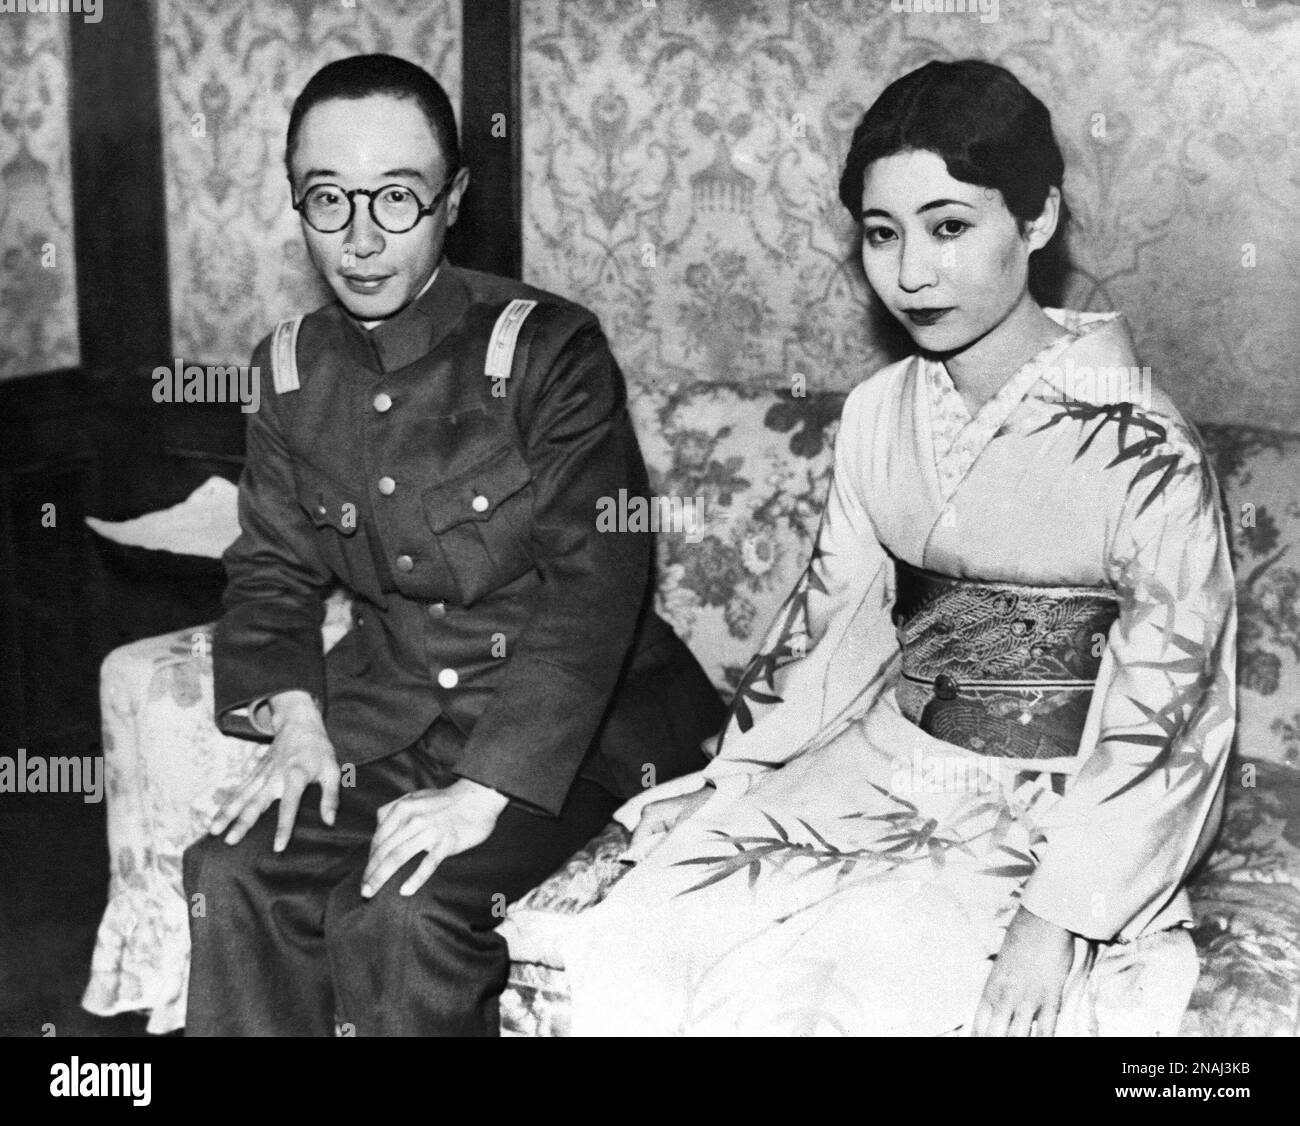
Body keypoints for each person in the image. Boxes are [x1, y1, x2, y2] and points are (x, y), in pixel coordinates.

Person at [555, 59, 1236, 1037]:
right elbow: (827, 629)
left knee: (843, 994)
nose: (911, 271)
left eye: (949, 226)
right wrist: (732, 780)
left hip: (1054, 799)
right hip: (885, 756)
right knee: (642, 939)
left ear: (1036, 219)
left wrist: (1055, 913)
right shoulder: (882, 413)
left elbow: (1170, 701)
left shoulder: (1144, 447)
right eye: (883, 234)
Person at [181, 54, 725, 1036]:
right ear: (295, 204)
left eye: (396, 198)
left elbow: (593, 593)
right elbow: (269, 569)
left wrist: (482, 792)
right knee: (229, 871)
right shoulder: (288, 371)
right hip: (392, 713)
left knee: (401, 910)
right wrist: (296, 716)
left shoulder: (549, 351)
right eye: (327, 199)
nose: (359, 238)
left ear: (452, 201)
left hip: (581, 735)